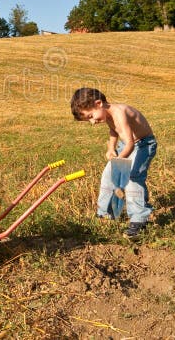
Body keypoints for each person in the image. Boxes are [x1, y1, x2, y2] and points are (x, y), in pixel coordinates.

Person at [70, 87, 158, 238]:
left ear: (99, 103)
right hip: (126, 146)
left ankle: (140, 219)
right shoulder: (106, 114)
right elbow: (114, 131)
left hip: (143, 145)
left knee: (132, 178)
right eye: (88, 120)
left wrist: (118, 161)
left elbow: (130, 143)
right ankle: (105, 214)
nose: (92, 122)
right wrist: (111, 148)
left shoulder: (119, 112)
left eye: (91, 116)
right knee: (107, 176)